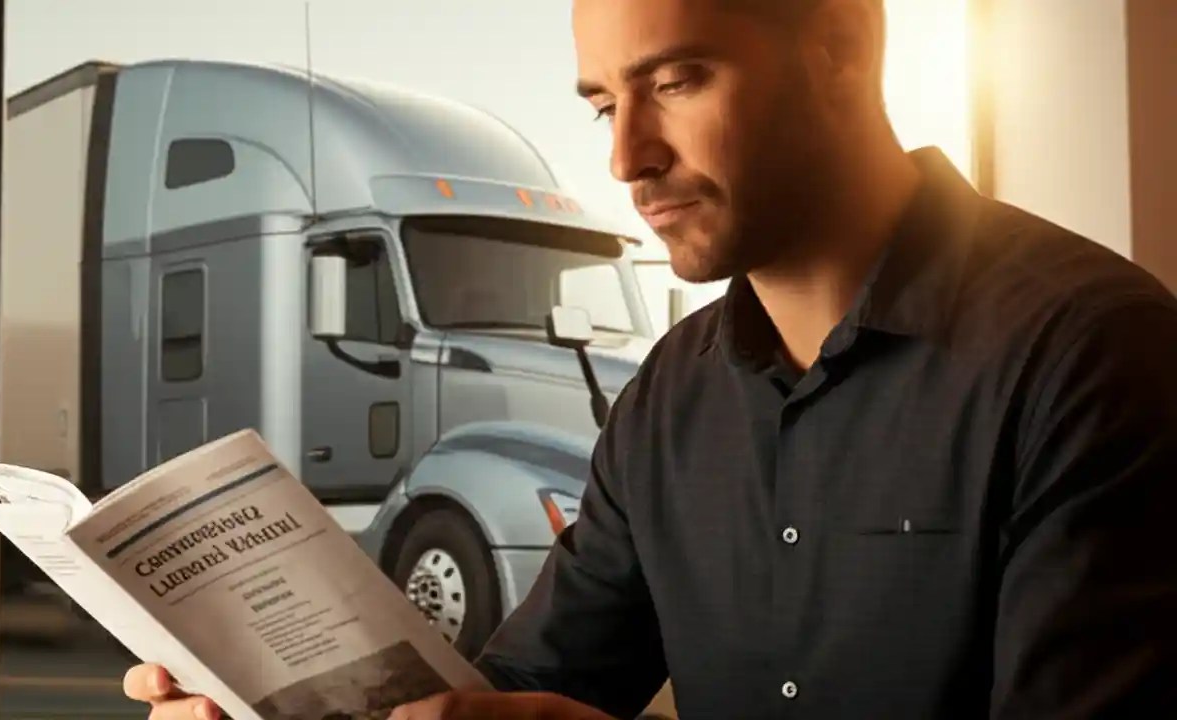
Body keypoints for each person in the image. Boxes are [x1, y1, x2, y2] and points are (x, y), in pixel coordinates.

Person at [124, 0, 1177, 717]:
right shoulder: (669, 393)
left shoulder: (1093, 354)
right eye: (601, 106)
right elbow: (528, 688)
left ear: (842, 49)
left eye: (674, 80)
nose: (627, 156)